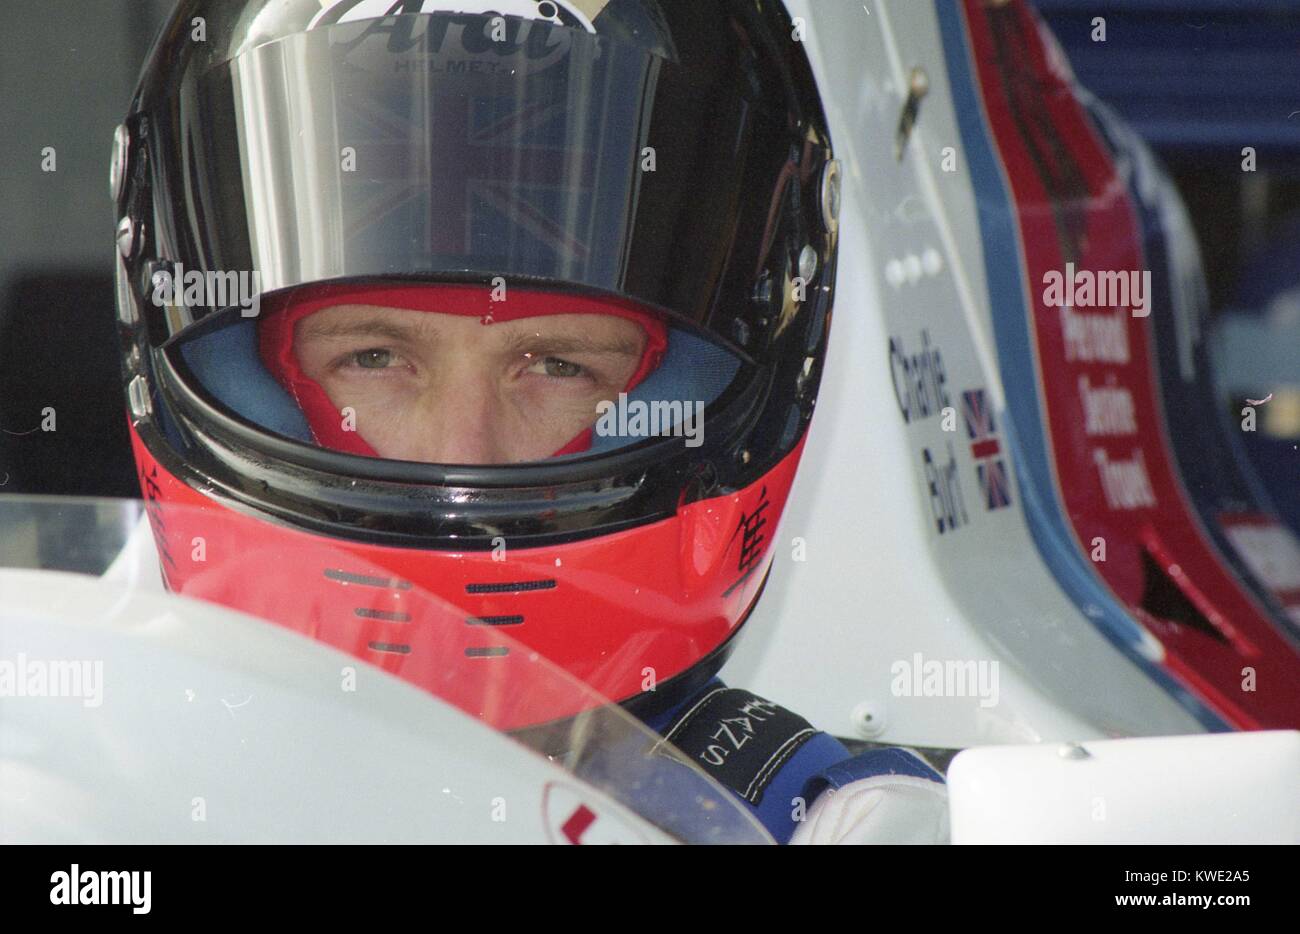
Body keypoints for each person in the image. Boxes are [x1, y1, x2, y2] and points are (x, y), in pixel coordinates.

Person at [110, 0, 947, 843]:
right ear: (253, 382)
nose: (461, 452)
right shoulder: (68, 761)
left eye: (556, 365)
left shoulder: (814, 822)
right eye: (374, 358)